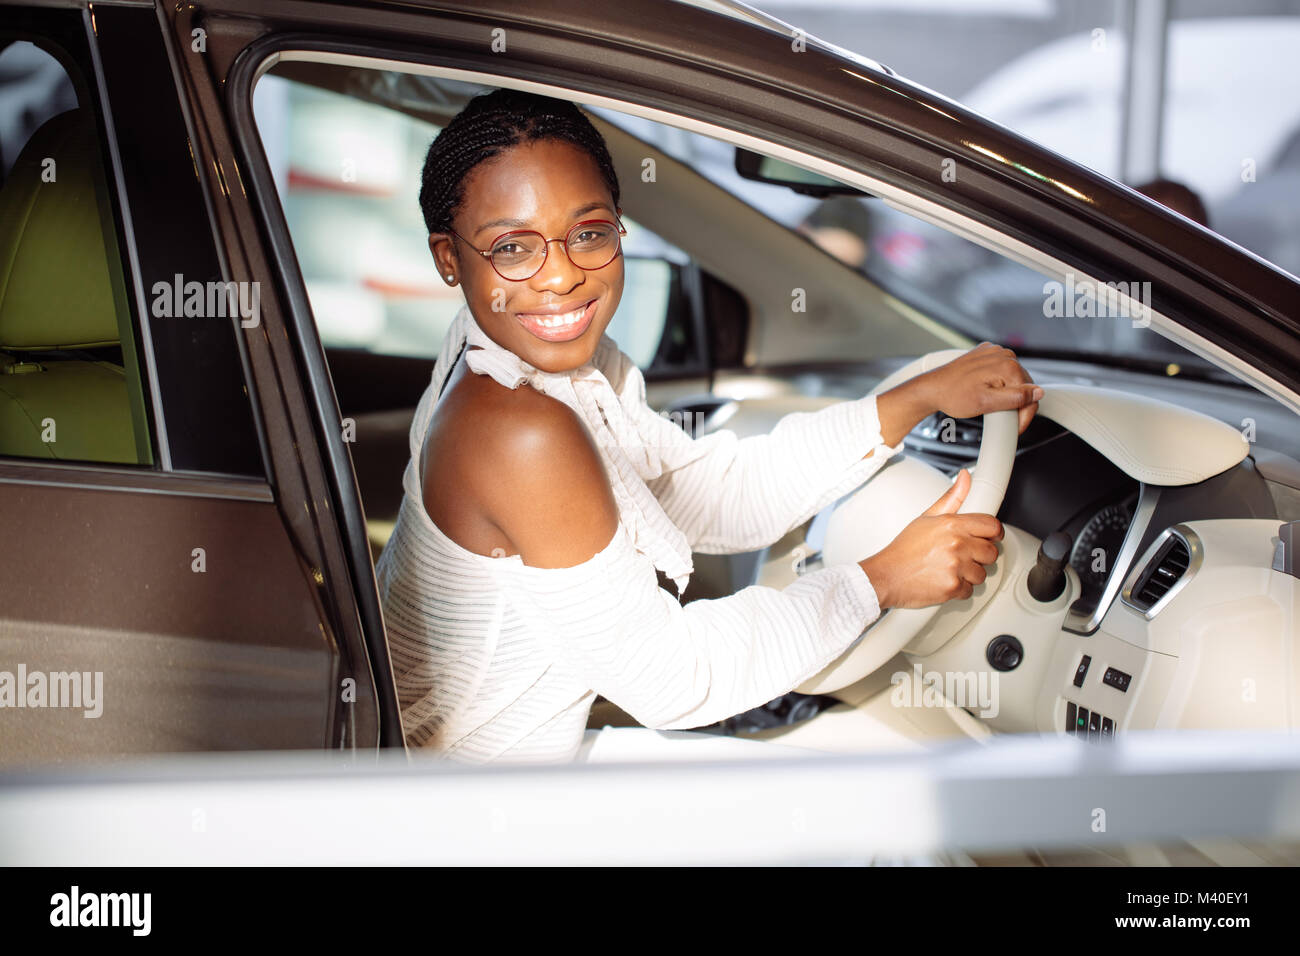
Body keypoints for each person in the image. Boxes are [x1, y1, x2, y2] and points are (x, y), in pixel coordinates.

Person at [374, 89, 1042, 764]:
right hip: (484, 820)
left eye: (589, 234)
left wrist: (915, 397)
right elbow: (672, 679)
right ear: (448, 257)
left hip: (508, 767)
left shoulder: (516, 356)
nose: (563, 278)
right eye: (514, 248)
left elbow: (710, 496)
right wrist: (884, 580)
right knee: (891, 807)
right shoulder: (517, 429)